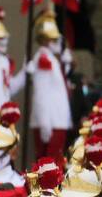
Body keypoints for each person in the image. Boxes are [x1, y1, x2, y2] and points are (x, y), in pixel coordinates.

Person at [26, 13, 73, 160]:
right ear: (45, 41)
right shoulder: (43, 60)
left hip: (57, 120)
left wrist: (67, 64)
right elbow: (42, 92)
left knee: (55, 161)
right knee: (49, 164)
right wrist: (44, 121)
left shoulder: (51, 59)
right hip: (51, 121)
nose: (57, 42)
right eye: (53, 40)